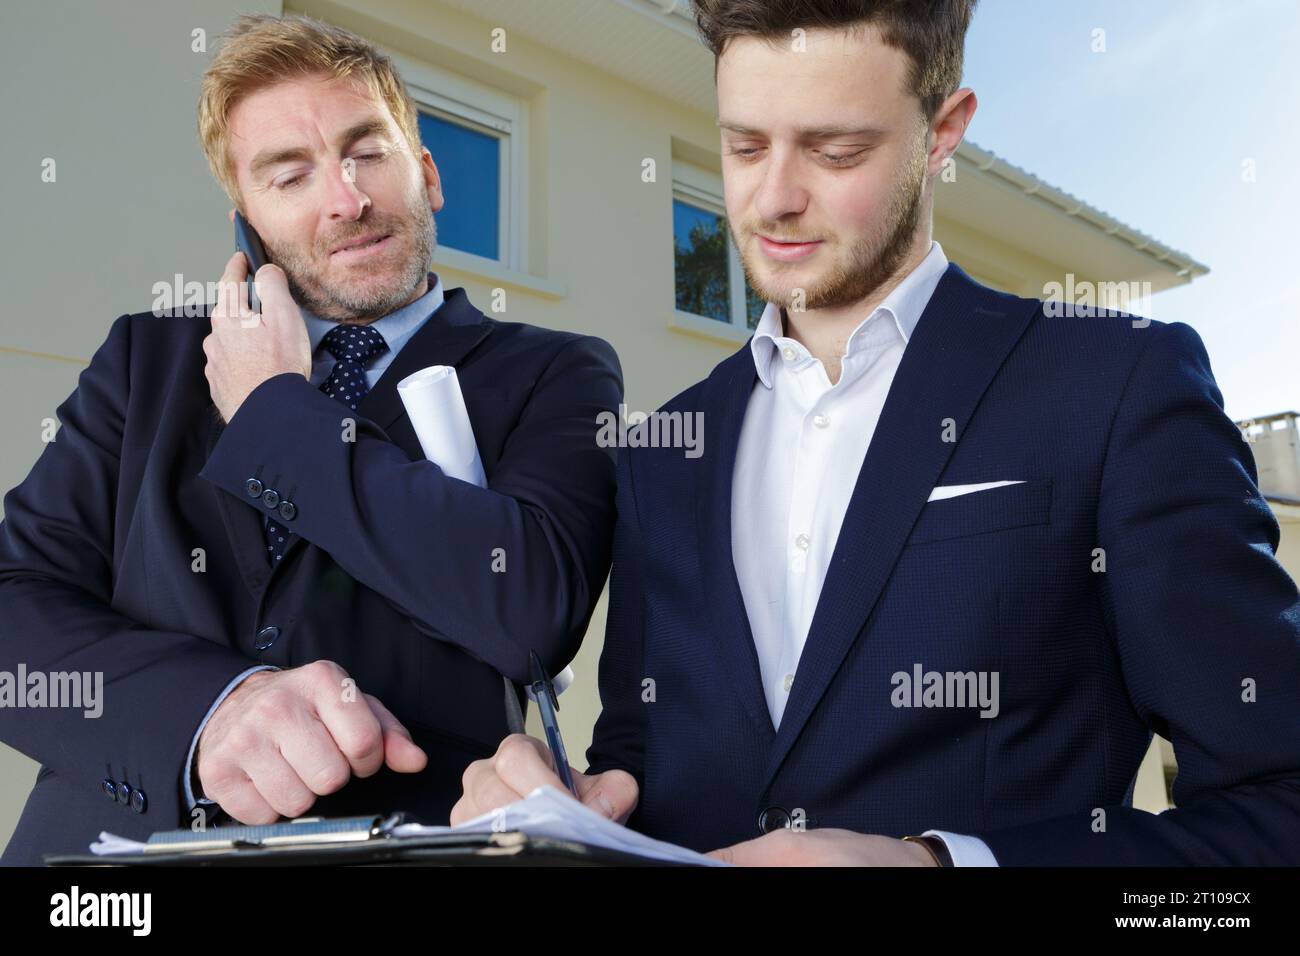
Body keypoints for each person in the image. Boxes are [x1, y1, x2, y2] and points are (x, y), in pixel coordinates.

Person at [453, 0, 1300, 866]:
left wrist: (941, 867)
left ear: (943, 133)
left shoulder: (1117, 384)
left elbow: (1279, 809)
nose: (771, 199)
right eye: (744, 145)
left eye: (836, 150)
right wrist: (565, 814)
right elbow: (638, 767)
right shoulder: (662, 448)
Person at [0, 14, 622, 866]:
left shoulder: (557, 372)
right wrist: (208, 709)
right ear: (247, 226)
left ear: (429, 174)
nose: (347, 198)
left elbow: (530, 614)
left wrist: (274, 412)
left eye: (368, 151)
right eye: (290, 176)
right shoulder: (146, 361)